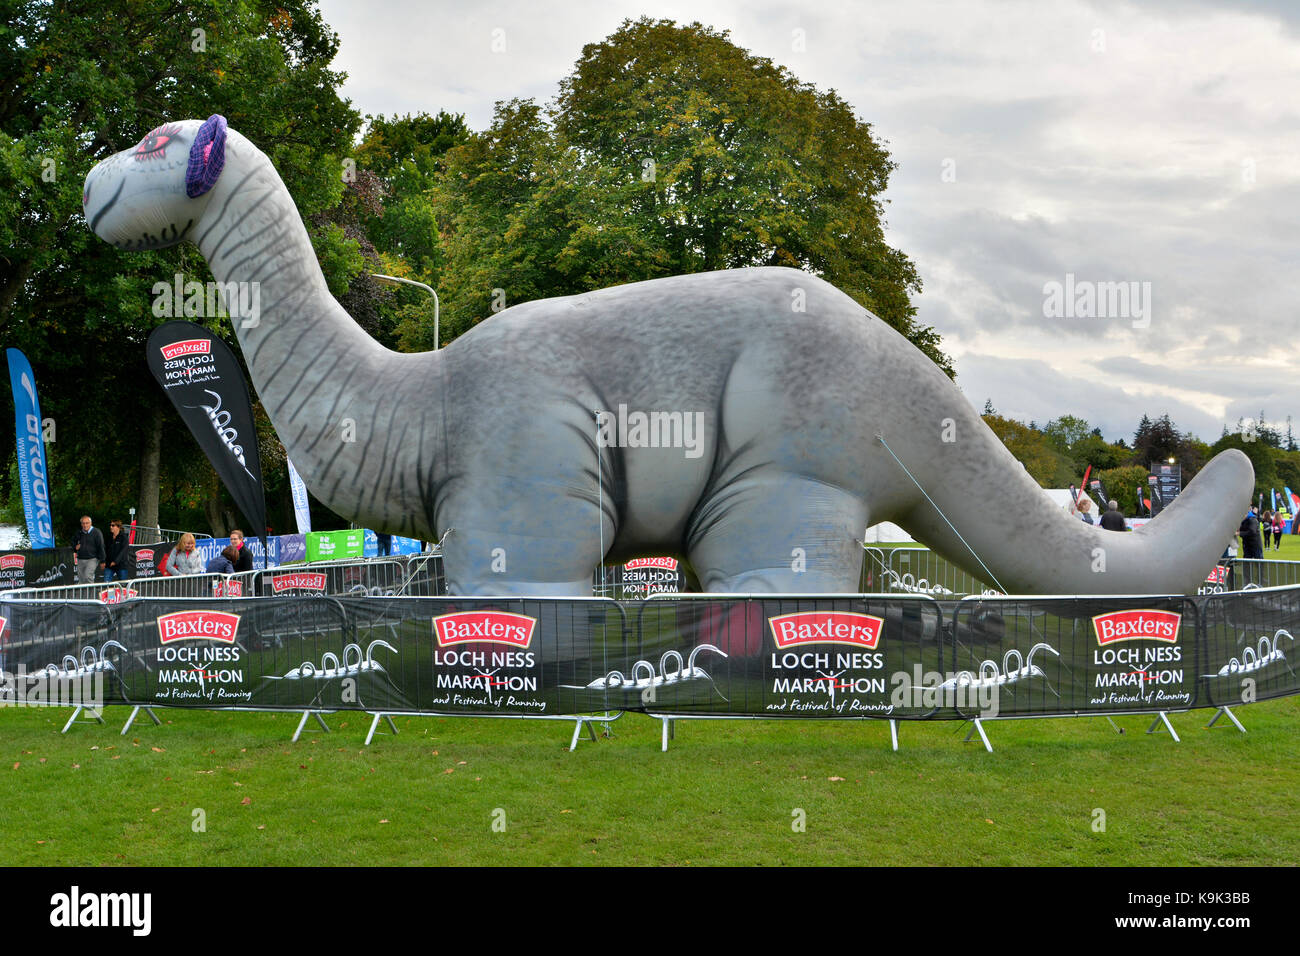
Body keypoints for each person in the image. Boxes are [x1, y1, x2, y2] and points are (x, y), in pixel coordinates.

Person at [73, 515, 106, 584]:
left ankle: (91, 593)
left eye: (87, 523)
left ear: (91, 523)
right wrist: (75, 547)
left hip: (92, 558)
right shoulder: (79, 533)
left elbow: (101, 546)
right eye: (83, 523)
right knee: (81, 579)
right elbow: (73, 542)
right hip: (80, 559)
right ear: (81, 524)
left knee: (88, 576)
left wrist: (103, 561)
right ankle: (82, 594)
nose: (85, 525)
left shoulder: (97, 532)